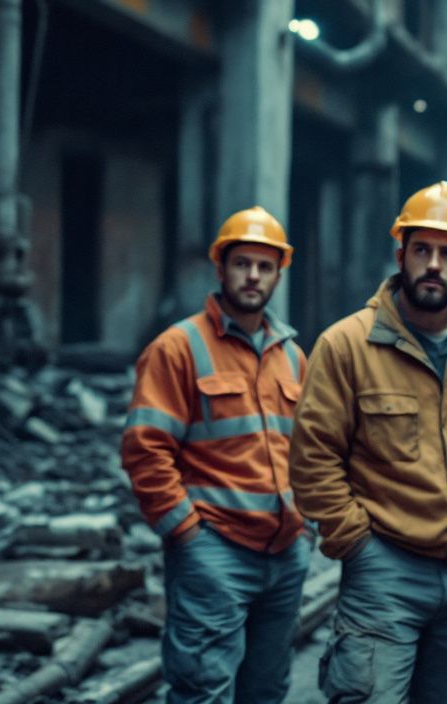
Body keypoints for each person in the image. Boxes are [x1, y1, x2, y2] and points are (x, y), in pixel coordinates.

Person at [289, 180, 447, 704]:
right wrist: (356, 544)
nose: (434, 265)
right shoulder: (346, 345)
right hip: (387, 573)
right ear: (401, 252)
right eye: (422, 249)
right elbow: (314, 458)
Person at [121, 205, 311, 703]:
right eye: (243, 263)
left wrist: (305, 527)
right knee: (203, 690)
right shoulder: (177, 348)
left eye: (265, 266)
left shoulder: (292, 356)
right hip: (216, 550)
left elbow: (309, 450)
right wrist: (186, 533)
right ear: (220, 268)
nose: (253, 276)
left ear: (278, 274)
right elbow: (146, 449)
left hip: (286, 552)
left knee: (266, 690)